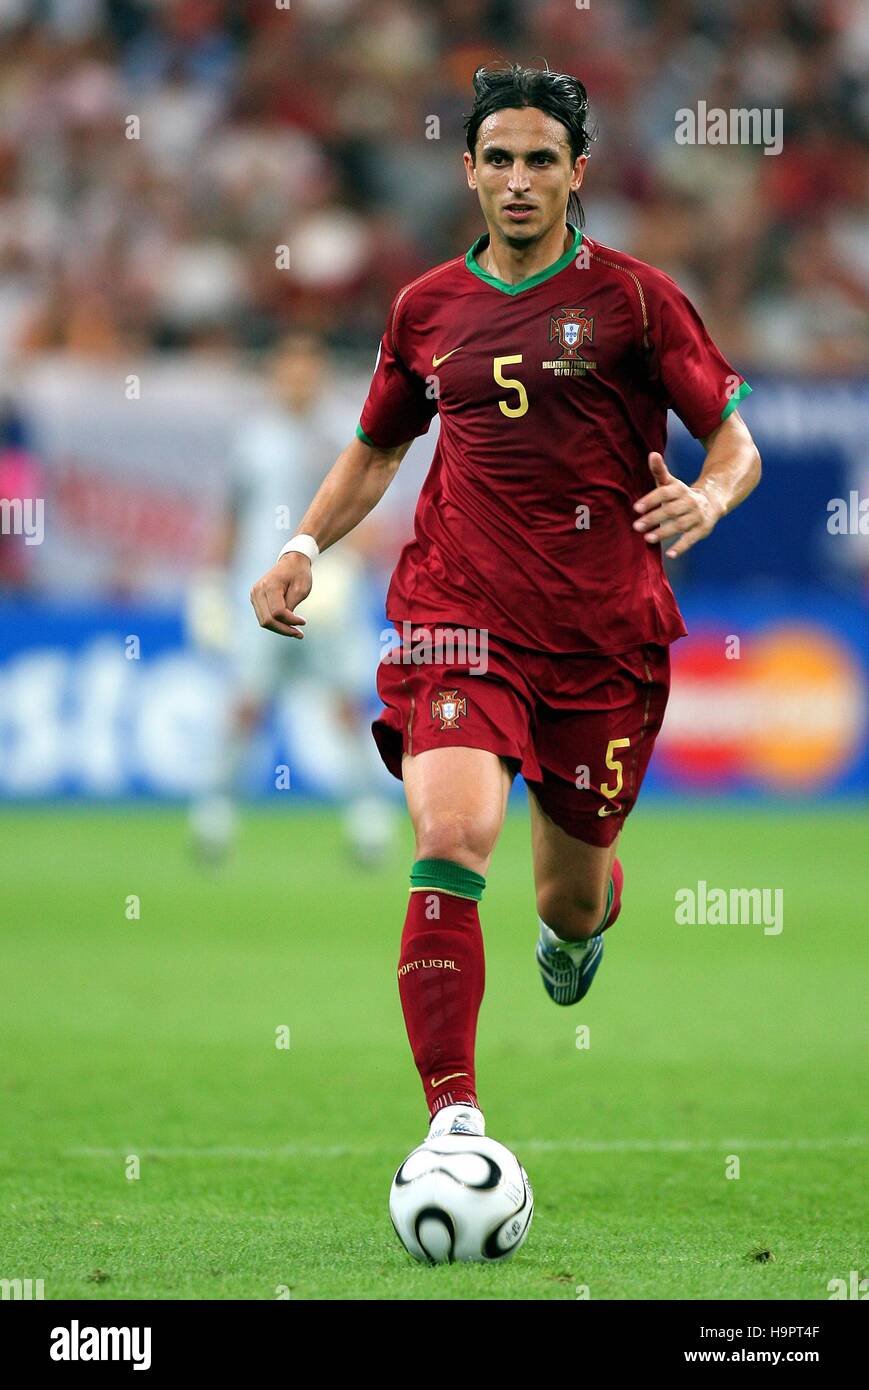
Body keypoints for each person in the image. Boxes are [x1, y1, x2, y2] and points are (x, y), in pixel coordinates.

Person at [248, 65, 761, 1145]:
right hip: (456, 612)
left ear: (576, 173)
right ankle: (453, 1124)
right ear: (467, 171)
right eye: (498, 159)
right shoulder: (424, 308)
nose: (518, 180)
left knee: (564, 901)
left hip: (600, 633)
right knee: (450, 831)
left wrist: (708, 497)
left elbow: (732, 441)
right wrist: (300, 544)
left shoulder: (632, 299)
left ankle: (578, 930)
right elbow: (379, 444)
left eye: (539, 160)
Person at [189, 330, 394, 864]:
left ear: (319, 373)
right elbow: (233, 516)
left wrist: (359, 565)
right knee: (246, 704)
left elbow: (365, 510)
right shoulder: (254, 439)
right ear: (277, 374)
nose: (298, 377)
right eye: (290, 367)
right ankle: (216, 814)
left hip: (328, 595)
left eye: (308, 367)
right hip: (258, 592)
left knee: (347, 706)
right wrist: (213, 581)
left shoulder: (347, 434)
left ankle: (367, 818)